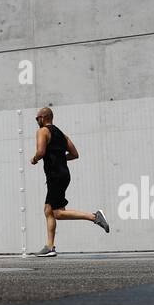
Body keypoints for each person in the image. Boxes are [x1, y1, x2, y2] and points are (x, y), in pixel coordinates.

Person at [30, 106, 109, 256]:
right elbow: (74, 154)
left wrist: (34, 159)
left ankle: (94, 216)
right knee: (48, 210)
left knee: (58, 213)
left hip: (55, 175)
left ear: (43, 117)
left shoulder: (42, 131)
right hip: (64, 174)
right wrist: (60, 158)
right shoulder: (62, 135)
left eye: (37, 118)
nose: (37, 121)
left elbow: (40, 152)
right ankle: (49, 247)